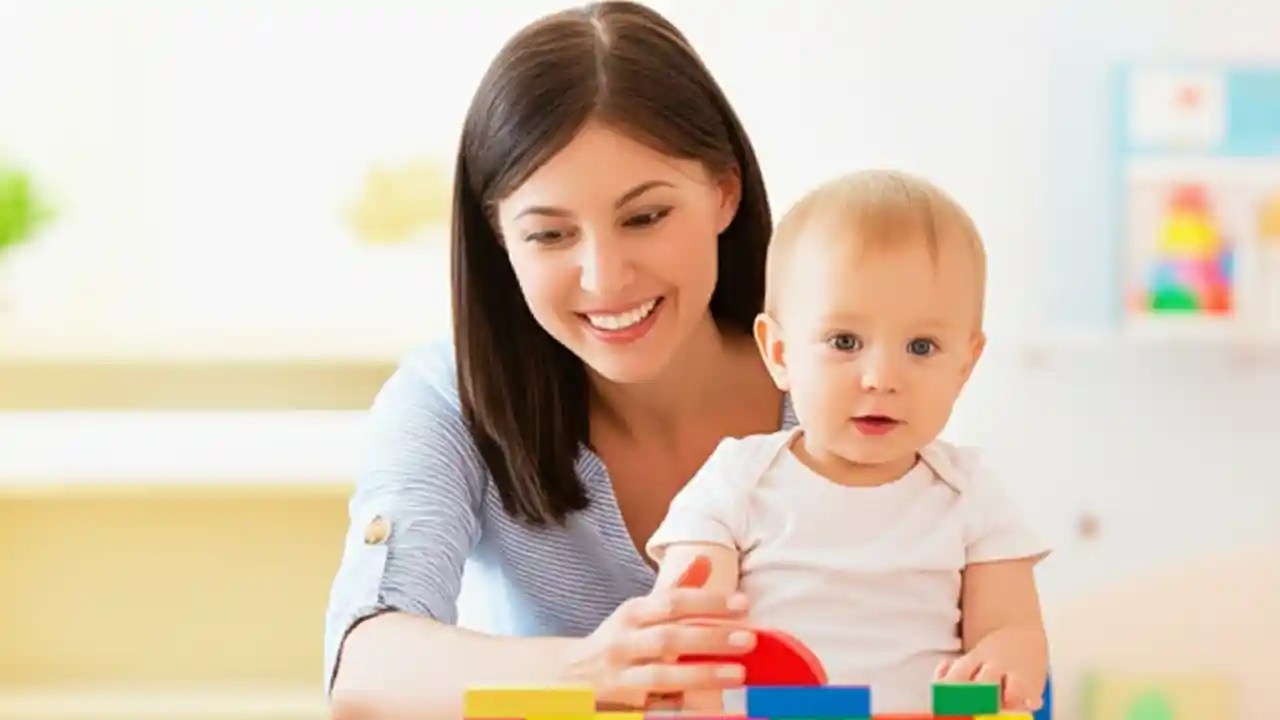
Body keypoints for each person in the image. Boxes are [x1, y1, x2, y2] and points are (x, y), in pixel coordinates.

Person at [323, 2, 789, 718]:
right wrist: (585, 668)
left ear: (724, 191)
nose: (604, 278)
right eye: (549, 235)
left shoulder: (841, 384)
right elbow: (366, 666)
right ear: (500, 236)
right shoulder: (451, 400)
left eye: (645, 217)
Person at [645, 170, 1052, 715]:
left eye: (922, 346)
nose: (881, 376)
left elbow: (1013, 630)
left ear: (965, 364)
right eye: (845, 341)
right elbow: (689, 628)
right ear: (781, 352)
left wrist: (1004, 660)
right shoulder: (737, 480)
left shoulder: (970, 495)